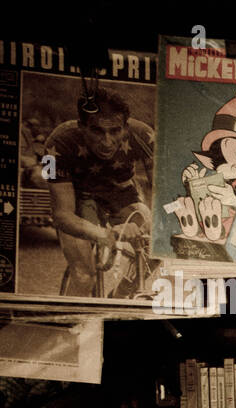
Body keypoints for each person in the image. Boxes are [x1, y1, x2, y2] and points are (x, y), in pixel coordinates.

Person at [41, 88, 153, 296]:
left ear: (126, 128)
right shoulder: (56, 143)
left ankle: (119, 297)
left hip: (121, 195)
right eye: (97, 131)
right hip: (79, 200)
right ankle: (72, 325)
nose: (107, 142)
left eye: (115, 131)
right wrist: (104, 234)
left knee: (157, 246)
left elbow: (162, 193)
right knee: (84, 276)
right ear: (81, 126)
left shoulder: (144, 135)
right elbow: (61, 215)